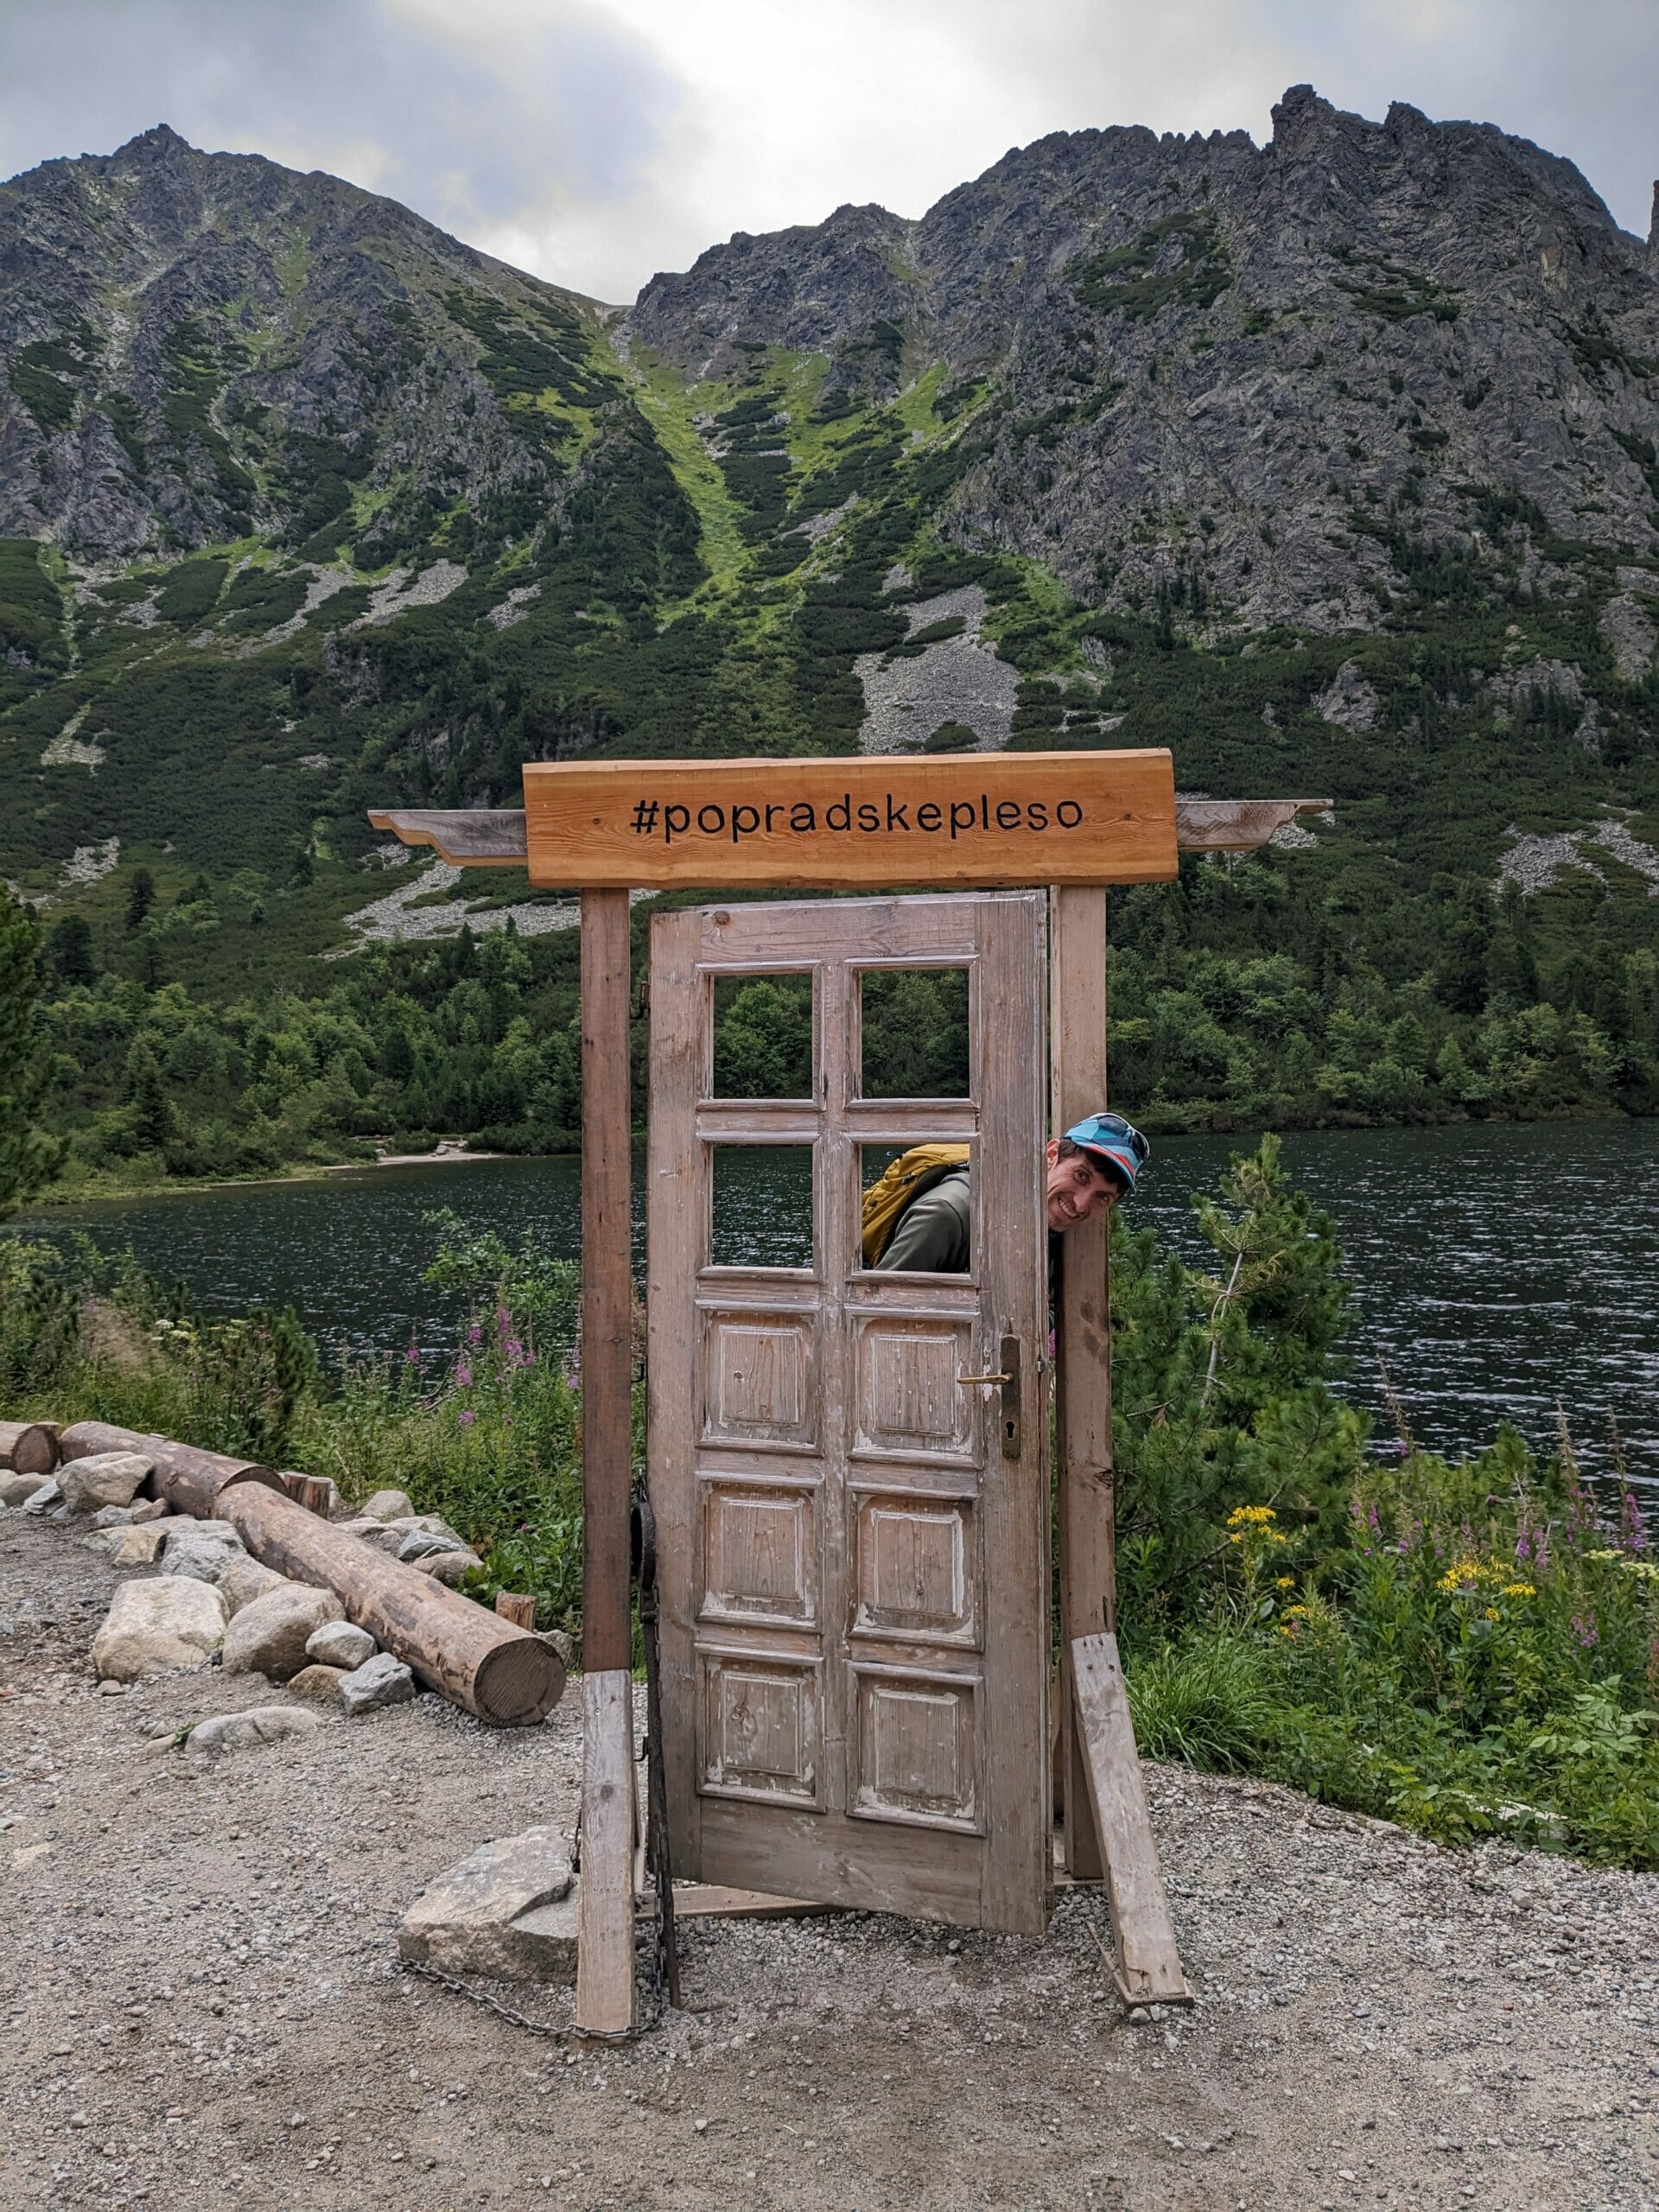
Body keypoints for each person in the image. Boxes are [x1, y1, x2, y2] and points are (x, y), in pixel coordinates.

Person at [875, 1111, 1147, 1273]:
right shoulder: (947, 1215)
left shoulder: (1044, 1228)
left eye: (1103, 1197)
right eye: (1081, 1176)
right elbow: (878, 1319)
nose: (1079, 1204)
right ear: (1051, 1154)